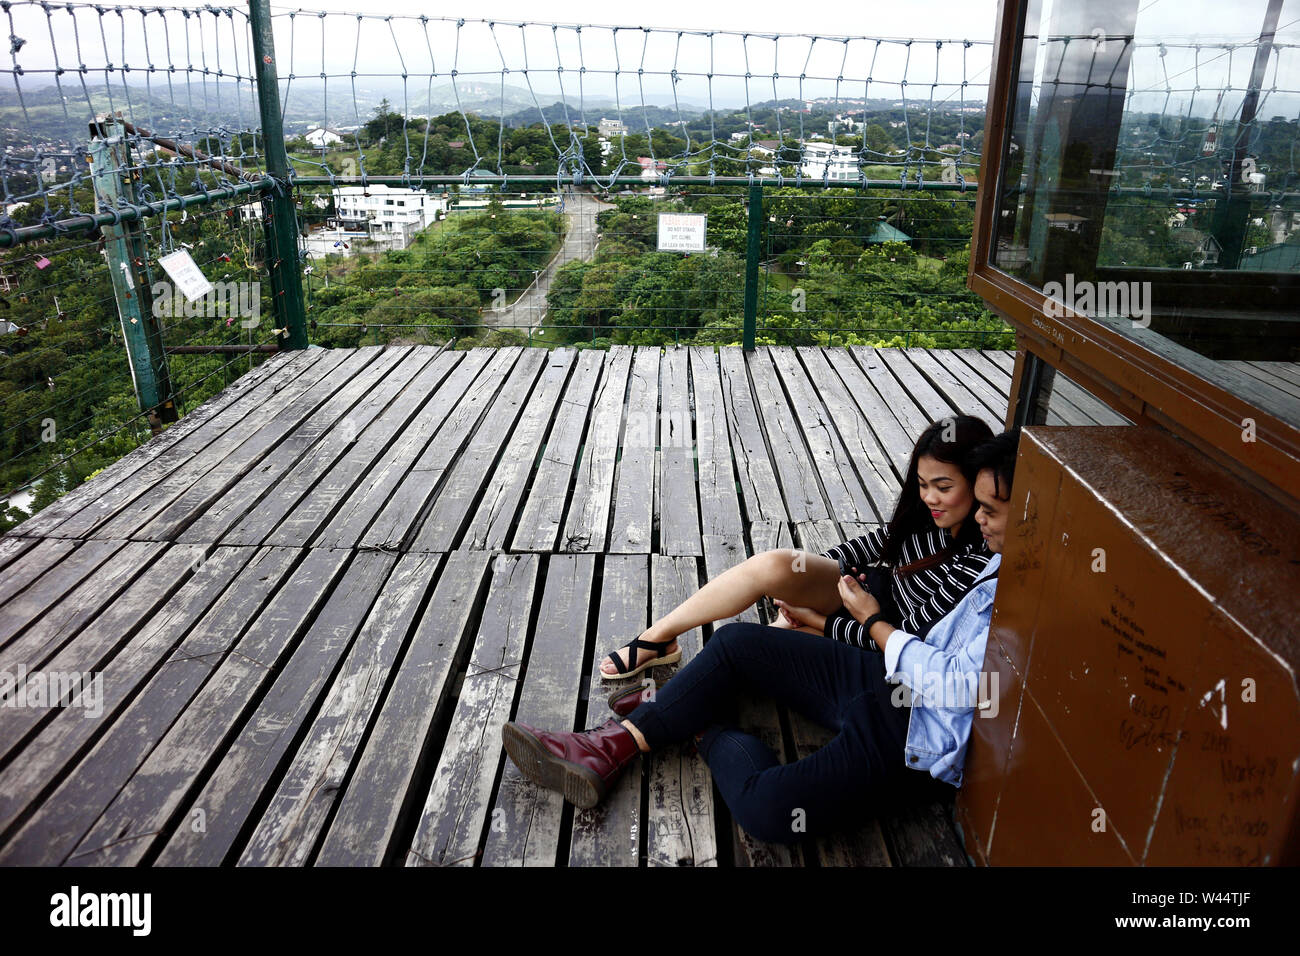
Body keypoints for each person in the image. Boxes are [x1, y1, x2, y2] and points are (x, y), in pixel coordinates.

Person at [500, 428, 1020, 844]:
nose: (978, 518)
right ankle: (609, 746)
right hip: (884, 673)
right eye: (975, 504)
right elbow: (879, 561)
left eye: (989, 510)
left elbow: (951, 682)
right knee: (736, 644)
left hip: (910, 736)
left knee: (769, 811)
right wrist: (830, 594)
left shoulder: (1003, 573)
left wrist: (858, 622)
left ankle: (701, 723)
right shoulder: (990, 555)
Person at [597, 414, 995, 680]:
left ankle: (673, 706)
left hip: (877, 638)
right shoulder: (930, 516)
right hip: (862, 594)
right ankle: (658, 637)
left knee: (760, 650)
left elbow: (908, 636)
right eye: (923, 485)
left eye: (944, 487)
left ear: (980, 481)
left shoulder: (980, 557)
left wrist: (820, 620)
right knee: (778, 566)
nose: (930, 498)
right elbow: (878, 544)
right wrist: (822, 573)